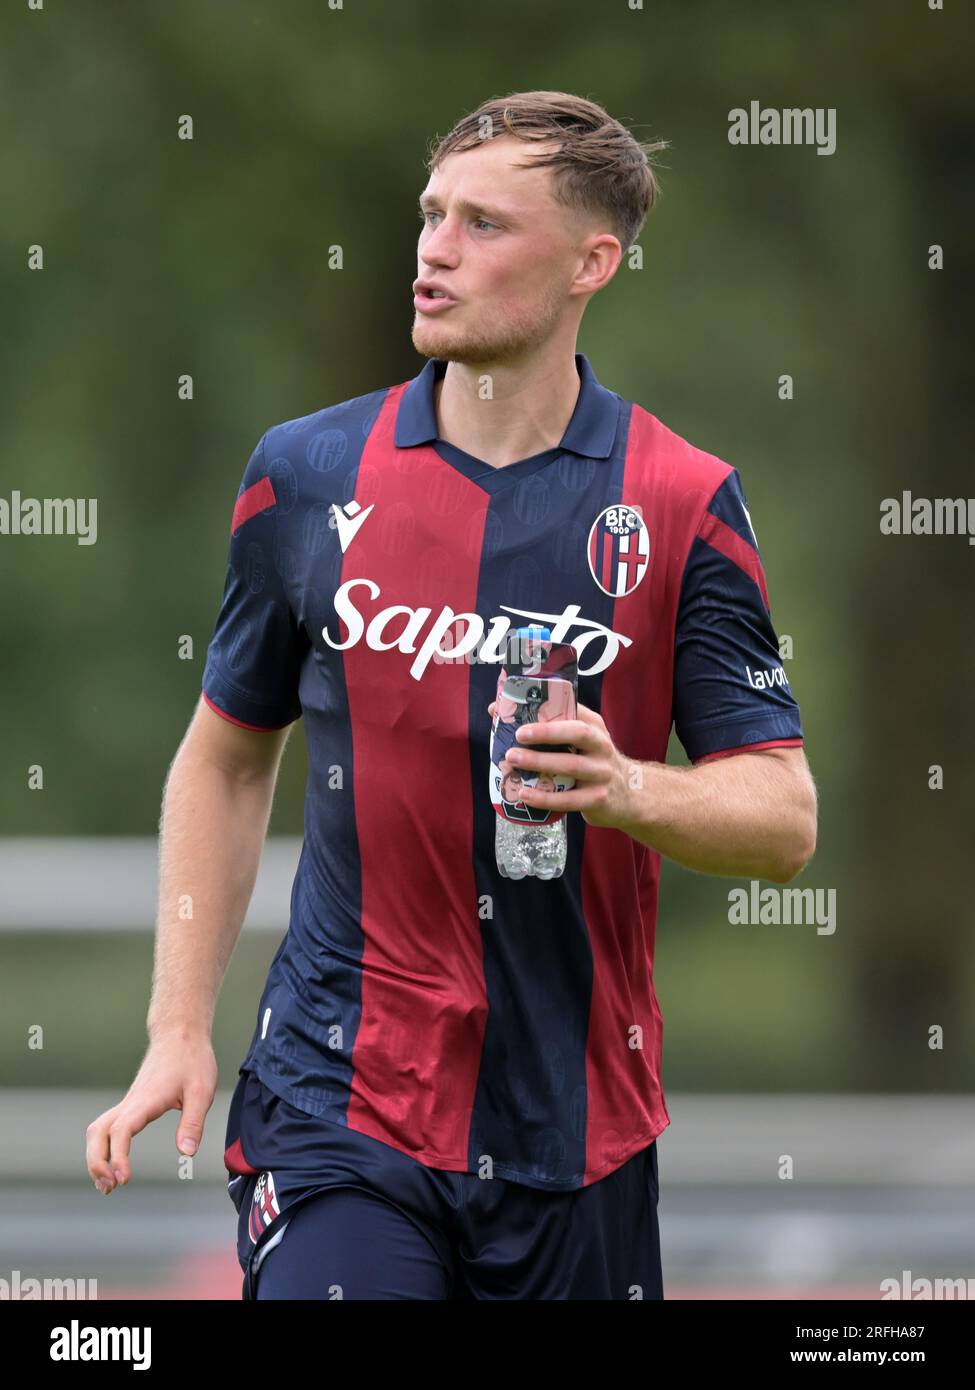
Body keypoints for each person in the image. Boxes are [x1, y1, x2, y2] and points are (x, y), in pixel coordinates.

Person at [86, 90, 817, 1300]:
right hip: (339, 1101)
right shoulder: (308, 473)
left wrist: (628, 787)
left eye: (484, 223)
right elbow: (223, 757)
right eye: (433, 214)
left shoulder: (684, 500)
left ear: (594, 261)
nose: (433, 248)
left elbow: (784, 820)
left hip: (580, 1133)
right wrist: (177, 1024)